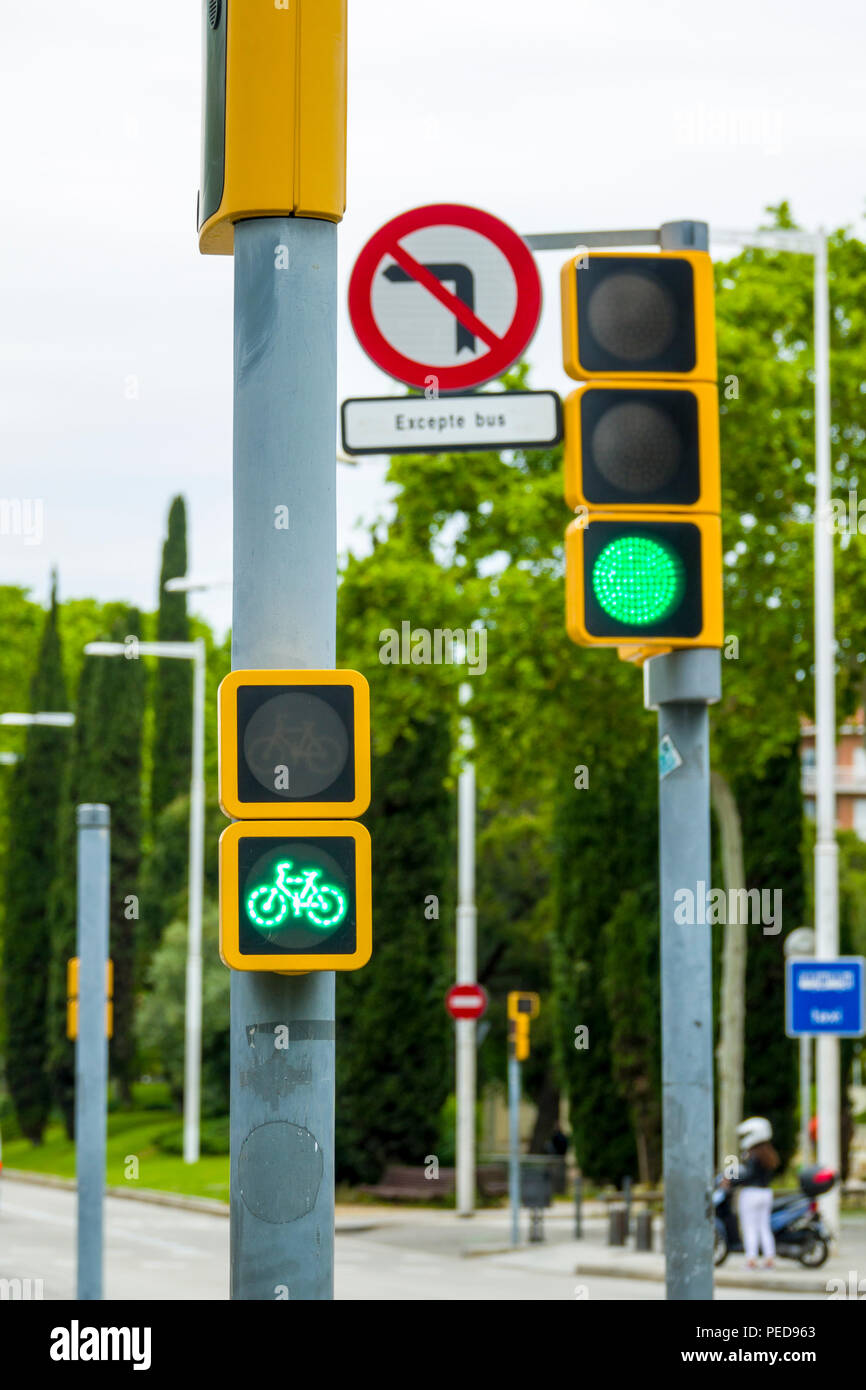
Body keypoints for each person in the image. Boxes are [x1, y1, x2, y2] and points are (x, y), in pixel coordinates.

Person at [723, 1116, 780, 1269]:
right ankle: (769, 1258)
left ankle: (751, 1259)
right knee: (764, 1227)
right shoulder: (769, 1154)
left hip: (751, 1194)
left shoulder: (753, 1155)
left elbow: (747, 1175)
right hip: (766, 1193)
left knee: (750, 1227)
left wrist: (732, 1180)